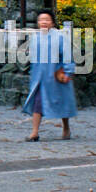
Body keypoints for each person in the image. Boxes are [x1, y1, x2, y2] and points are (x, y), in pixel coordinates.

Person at [22, 9, 77, 141]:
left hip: (56, 76)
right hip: (40, 78)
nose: (44, 22)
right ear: (38, 22)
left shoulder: (60, 37)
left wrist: (68, 71)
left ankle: (66, 127)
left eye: (47, 19)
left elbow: (67, 55)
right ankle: (34, 132)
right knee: (38, 103)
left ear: (52, 22)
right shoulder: (35, 38)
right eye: (41, 20)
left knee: (62, 102)